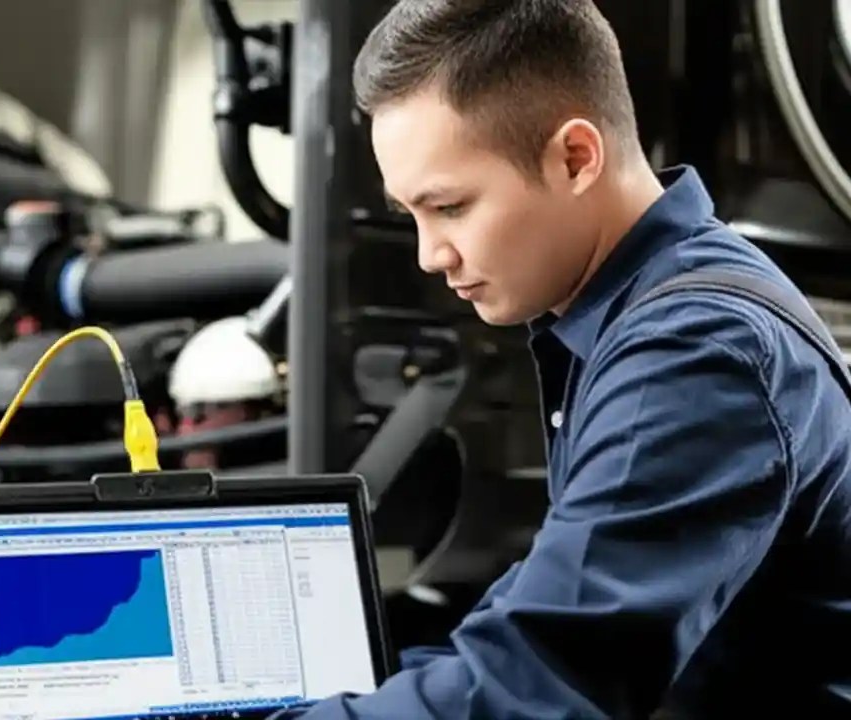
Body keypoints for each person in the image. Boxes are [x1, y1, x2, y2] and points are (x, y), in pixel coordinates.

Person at [278, 1, 851, 718]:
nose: (431, 255)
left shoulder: (696, 351)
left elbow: (537, 683)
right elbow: (530, 625)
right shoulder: (655, 312)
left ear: (576, 157)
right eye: (412, 216)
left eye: (450, 207)